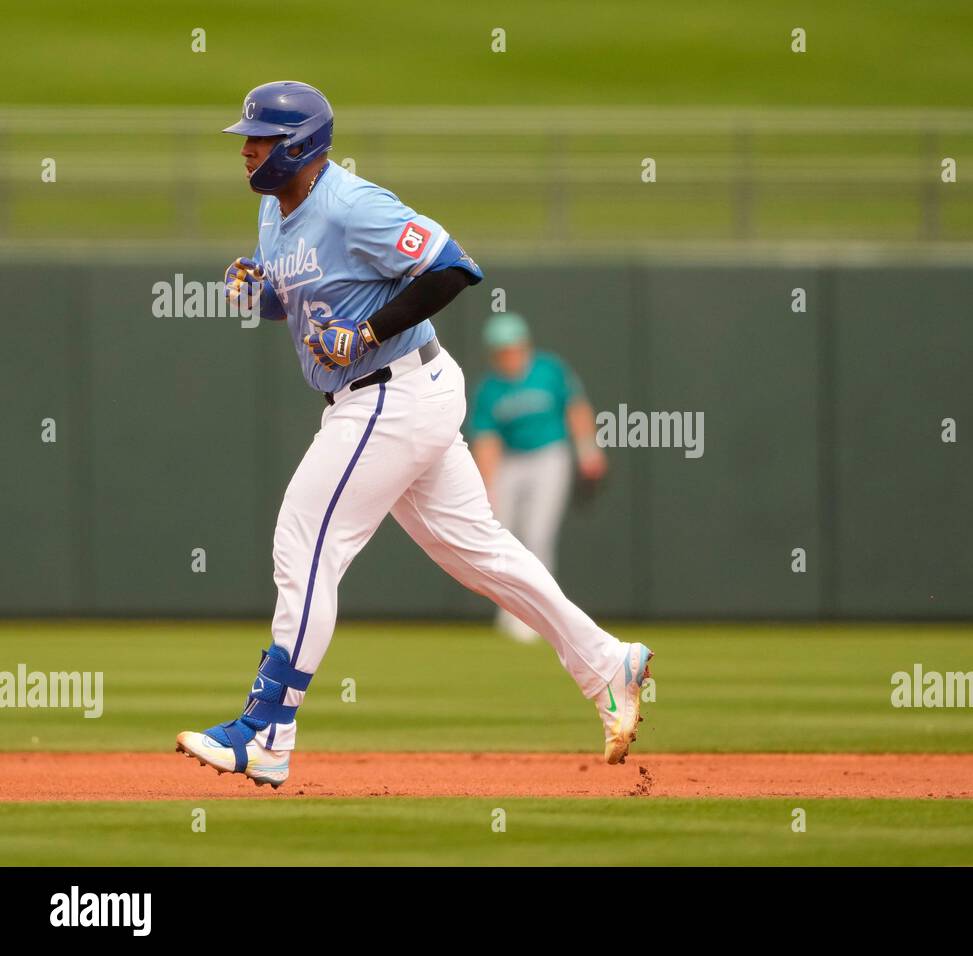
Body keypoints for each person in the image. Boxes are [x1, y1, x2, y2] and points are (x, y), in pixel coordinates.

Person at [174, 81, 652, 787]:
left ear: (299, 146)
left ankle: (267, 730)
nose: (246, 150)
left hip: (390, 391)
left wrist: (368, 331)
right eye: (246, 138)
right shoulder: (275, 212)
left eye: (260, 139)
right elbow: (300, 297)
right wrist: (262, 294)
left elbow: (455, 266)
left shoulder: (351, 204)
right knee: (478, 552)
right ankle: (608, 661)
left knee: (305, 541)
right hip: (390, 393)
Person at [469, 313, 607, 642]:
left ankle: (538, 615)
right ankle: (511, 611)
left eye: (513, 348)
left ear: (524, 346)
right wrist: (487, 485)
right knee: (501, 535)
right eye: (502, 351)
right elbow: (486, 440)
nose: (509, 356)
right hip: (510, 462)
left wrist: (588, 450)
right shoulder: (490, 389)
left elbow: (576, 408)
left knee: (537, 534)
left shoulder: (549, 371)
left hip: (549, 456)